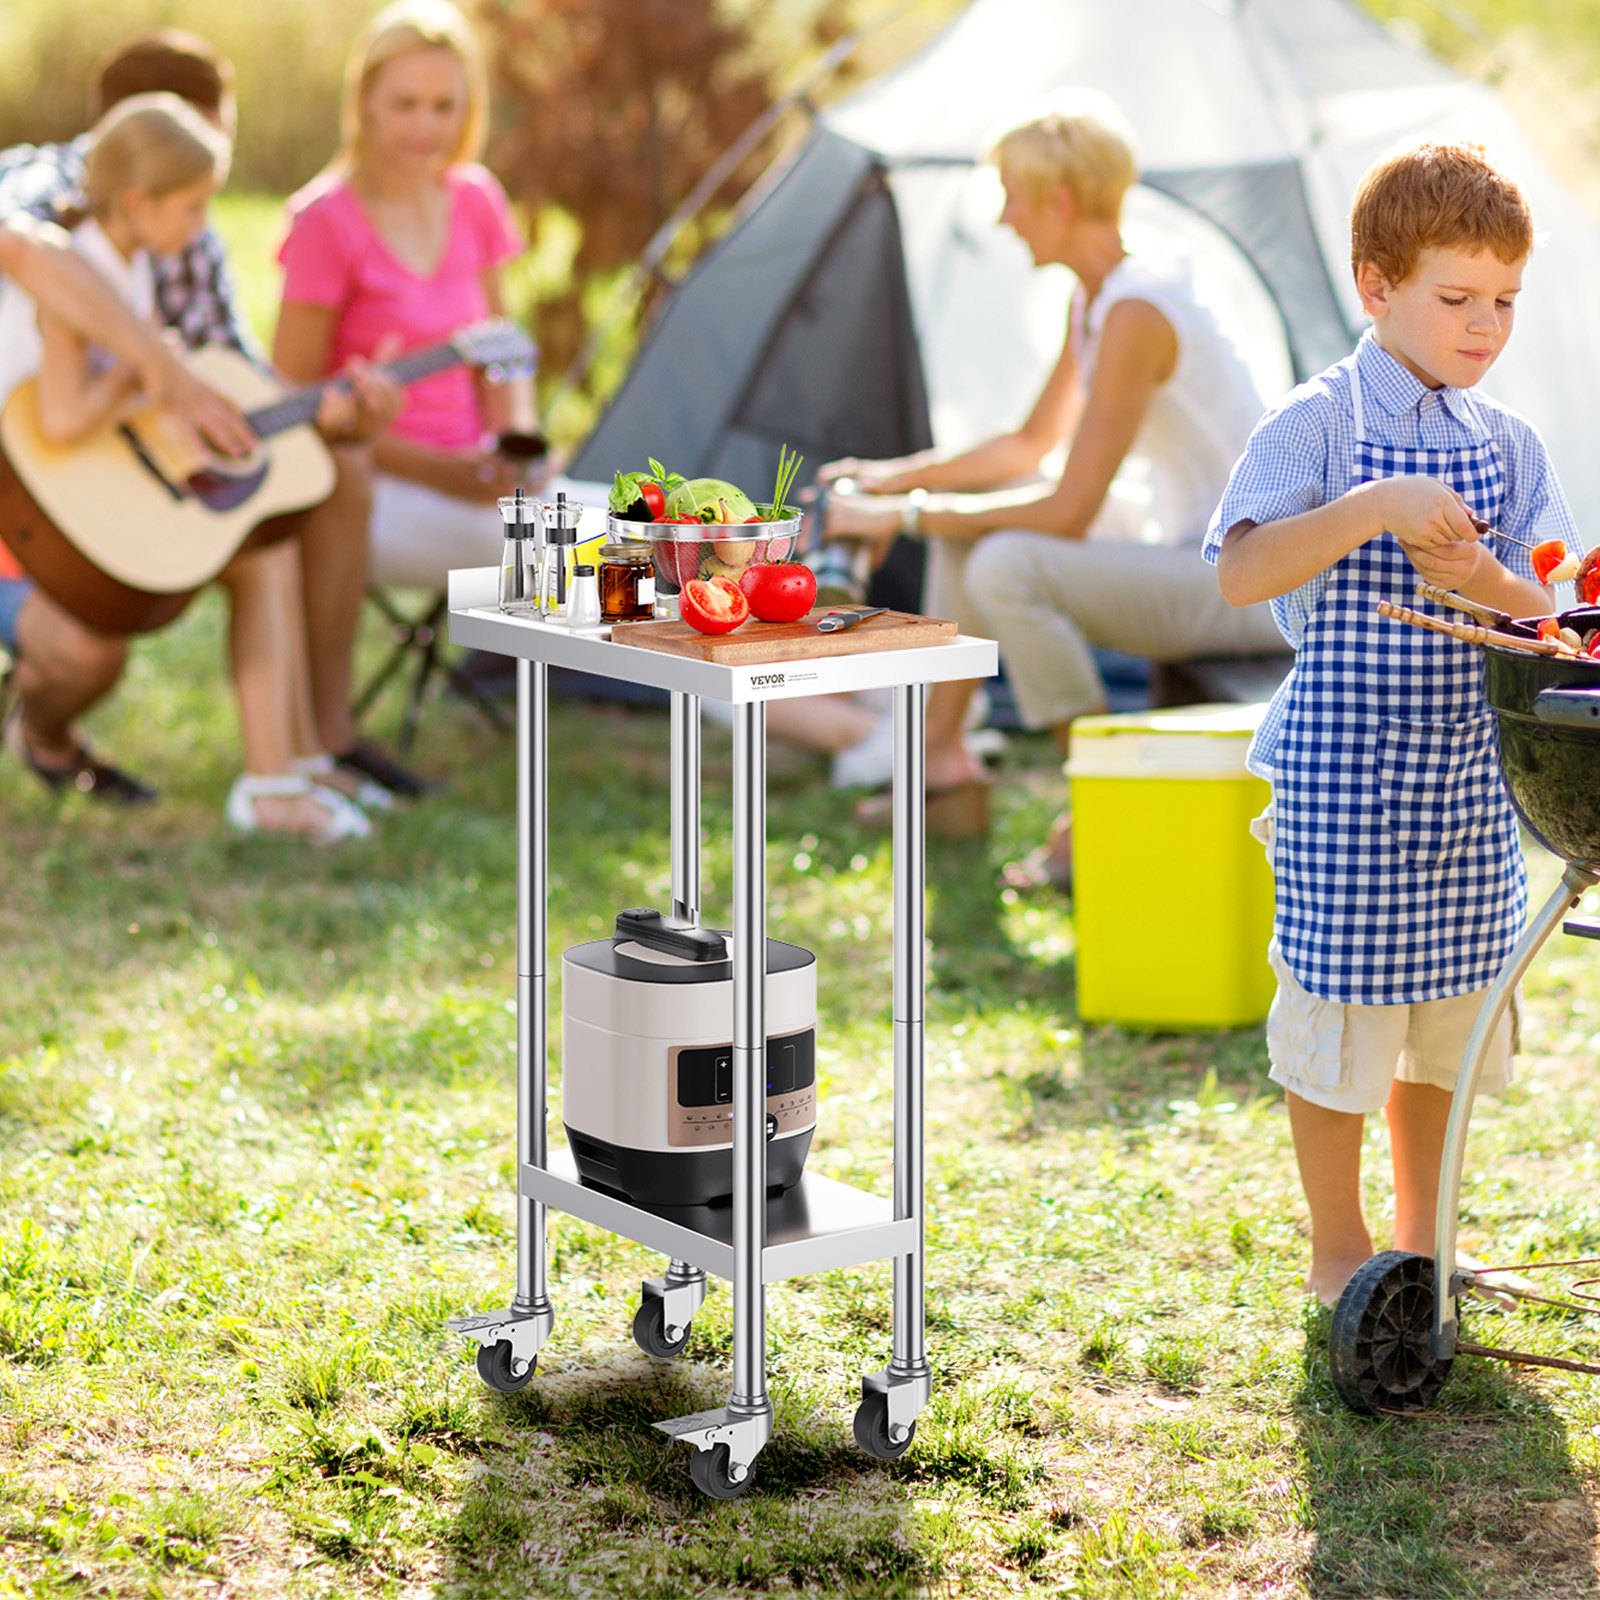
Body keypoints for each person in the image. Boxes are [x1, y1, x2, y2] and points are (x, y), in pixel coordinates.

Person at [1208, 139, 1573, 1306]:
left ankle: (1423, 1237)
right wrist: (1372, 507)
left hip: (1466, 785)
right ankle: (1337, 1248)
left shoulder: (1511, 446)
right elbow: (1239, 571)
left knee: (1445, 1021)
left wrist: (1486, 582)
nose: (1485, 327)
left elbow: (1555, 615)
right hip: (1343, 784)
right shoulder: (1315, 421)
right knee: (1341, 1027)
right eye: (1456, 298)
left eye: (1505, 301)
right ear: (1376, 285)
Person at [819, 90, 1283, 859]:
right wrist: (894, 480)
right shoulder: (1101, 298)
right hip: (1187, 546)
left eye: (1012, 199)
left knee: (1006, 562)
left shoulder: (1139, 315)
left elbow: (1069, 510)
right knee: (975, 533)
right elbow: (1028, 445)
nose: (1005, 220)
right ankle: (942, 762)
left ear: (1058, 201)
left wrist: (898, 519)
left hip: (1248, 581)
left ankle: (1098, 806)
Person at [0, 30, 412, 807]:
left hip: (92, 468)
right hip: (31, 486)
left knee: (282, 522)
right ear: (140, 166)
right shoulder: (68, 223)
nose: (205, 218)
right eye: (193, 187)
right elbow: (33, 286)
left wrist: (325, 415)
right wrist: (150, 364)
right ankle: (58, 738)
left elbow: (234, 375)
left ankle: (291, 768)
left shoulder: (155, 247)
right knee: (89, 648)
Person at [273, 0, 544, 597]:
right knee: (591, 555)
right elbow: (290, 396)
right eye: (405, 104)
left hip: (482, 481)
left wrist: (518, 447)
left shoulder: (475, 199)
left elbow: (507, 351)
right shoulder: (324, 220)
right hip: (372, 488)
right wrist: (440, 472)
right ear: (365, 99)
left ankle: (757, 686)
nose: (426, 126)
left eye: (444, 107)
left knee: (649, 533)